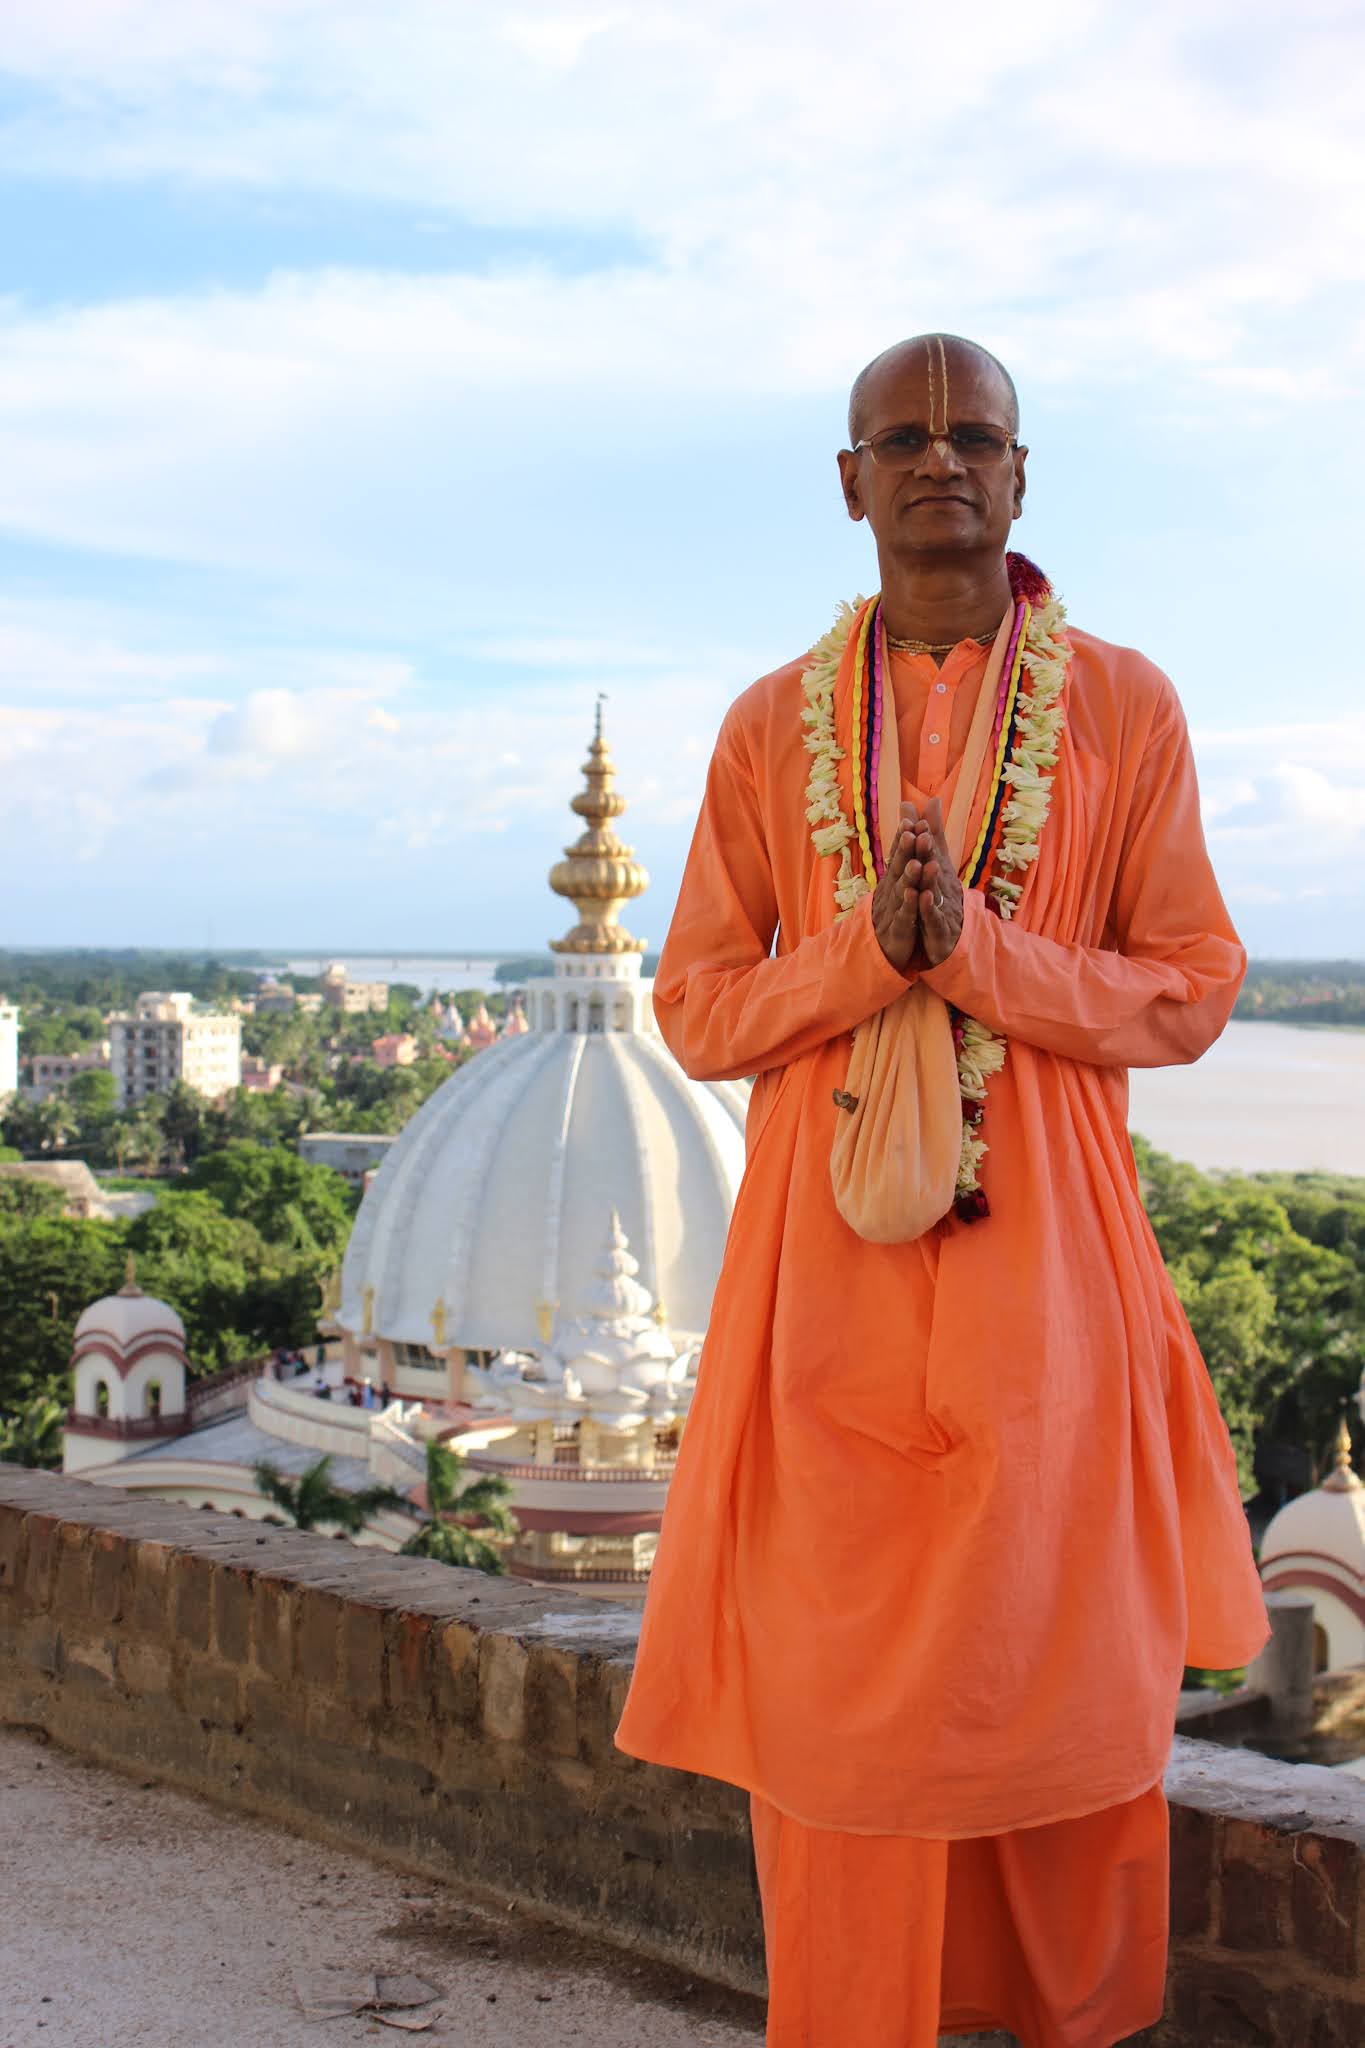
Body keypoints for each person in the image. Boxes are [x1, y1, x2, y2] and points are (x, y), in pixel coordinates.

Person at [613, 334, 1269, 2048]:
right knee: (835, 1700)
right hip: (819, 1282)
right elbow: (692, 1005)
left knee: (1064, 1670)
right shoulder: (769, 727)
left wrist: (977, 961)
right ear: (849, 484)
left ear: (1020, 472)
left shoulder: (1121, 705)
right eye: (897, 438)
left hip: (1047, 1278)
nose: (935, 461)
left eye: (970, 435)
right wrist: (861, 958)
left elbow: (1190, 984)